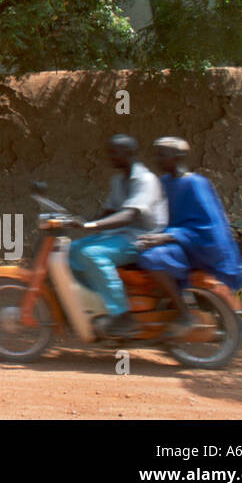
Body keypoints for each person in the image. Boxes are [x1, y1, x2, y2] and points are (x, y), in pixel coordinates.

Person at [136, 137, 242, 338]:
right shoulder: (164, 182)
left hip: (197, 247)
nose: (157, 159)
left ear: (178, 157)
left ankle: (184, 313)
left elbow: (208, 227)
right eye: (156, 154)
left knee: (153, 257)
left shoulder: (195, 184)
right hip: (178, 242)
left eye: (162, 154)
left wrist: (166, 237)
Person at [68, 134, 167, 337]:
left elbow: (129, 215)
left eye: (115, 152)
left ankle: (122, 316)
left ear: (129, 153)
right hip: (120, 234)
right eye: (110, 152)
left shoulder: (145, 180)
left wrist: (90, 225)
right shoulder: (118, 180)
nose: (110, 156)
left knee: (91, 254)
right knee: (70, 251)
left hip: (142, 238)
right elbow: (110, 211)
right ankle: (98, 307)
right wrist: (80, 222)